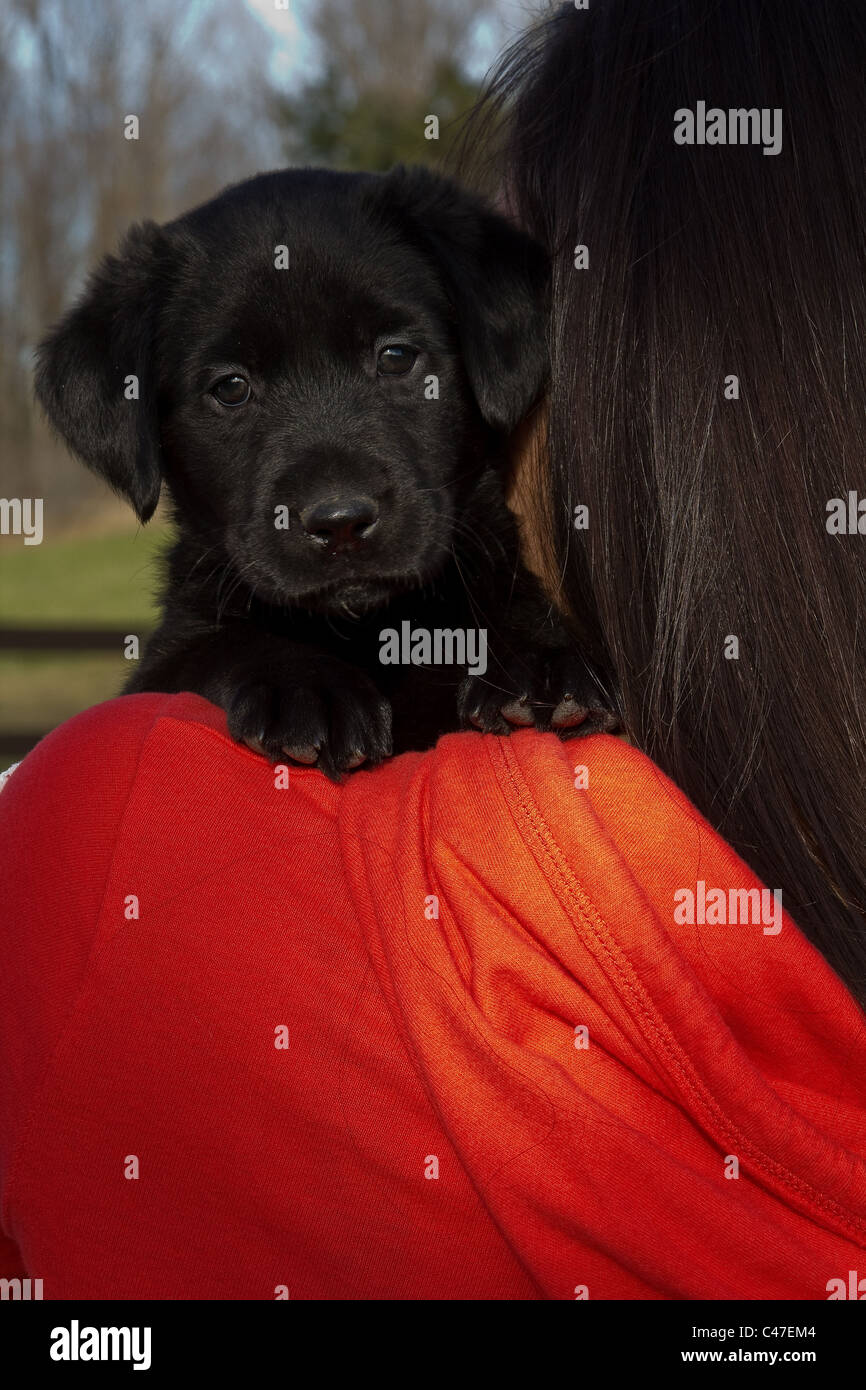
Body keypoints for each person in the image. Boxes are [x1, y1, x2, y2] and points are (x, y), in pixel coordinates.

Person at [1, 0, 864, 1300]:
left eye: (396, 354)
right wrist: (247, 673)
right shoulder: (201, 691)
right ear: (147, 433)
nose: (334, 480)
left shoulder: (104, 835)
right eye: (231, 392)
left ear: (493, 358)